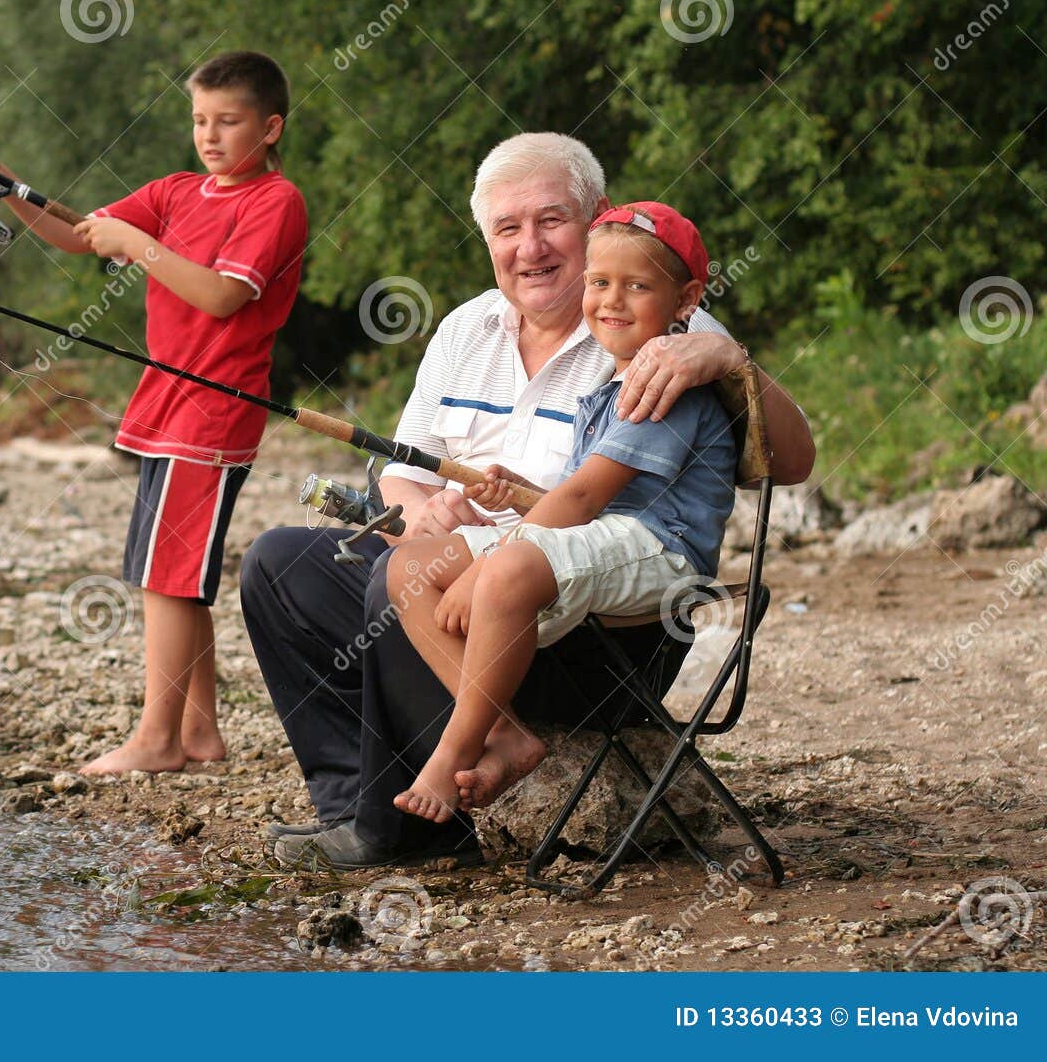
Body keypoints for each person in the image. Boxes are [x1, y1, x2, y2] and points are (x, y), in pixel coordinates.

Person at [240, 132, 816, 870]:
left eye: (551, 220)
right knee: (280, 563)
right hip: (471, 581)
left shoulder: (659, 322)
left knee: (407, 576)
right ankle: (357, 799)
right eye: (508, 229)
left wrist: (733, 359)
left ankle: (397, 834)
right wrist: (419, 512)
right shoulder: (464, 327)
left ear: (600, 218)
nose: (531, 247)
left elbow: (790, 461)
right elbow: (398, 469)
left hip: (597, 626)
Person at [0, 50, 308, 775]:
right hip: (164, 406)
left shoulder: (275, 202)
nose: (209, 135)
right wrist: (9, 186)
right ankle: (200, 732)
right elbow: (79, 233)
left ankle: (156, 740)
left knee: (167, 576)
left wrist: (141, 247)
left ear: (270, 127)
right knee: (172, 573)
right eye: (200, 119)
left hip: (213, 411)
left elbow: (220, 296)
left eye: (229, 121)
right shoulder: (177, 191)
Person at [388, 201, 736, 823]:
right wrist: (521, 492)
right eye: (600, 283)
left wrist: (487, 564)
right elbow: (576, 494)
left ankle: (455, 750)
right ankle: (505, 734)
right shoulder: (612, 383)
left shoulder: (665, 385)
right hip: (606, 536)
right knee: (409, 566)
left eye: (637, 287)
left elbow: (581, 499)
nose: (612, 301)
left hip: (663, 551)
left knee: (509, 569)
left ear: (685, 300)